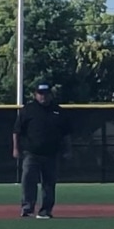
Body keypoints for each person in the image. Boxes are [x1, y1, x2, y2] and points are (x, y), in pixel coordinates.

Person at [12, 84, 73, 219]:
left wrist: (68, 150)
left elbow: (66, 134)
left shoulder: (58, 111)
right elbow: (17, 131)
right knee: (28, 180)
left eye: (45, 93)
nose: (43, 96)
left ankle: (46, 210)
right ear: (35, 94)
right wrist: (16, 149)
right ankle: (27, 208)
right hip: (31, 153)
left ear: (50, 94)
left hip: (51, 154)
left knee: (49, 183)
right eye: (40, 93)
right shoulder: (28, 110)